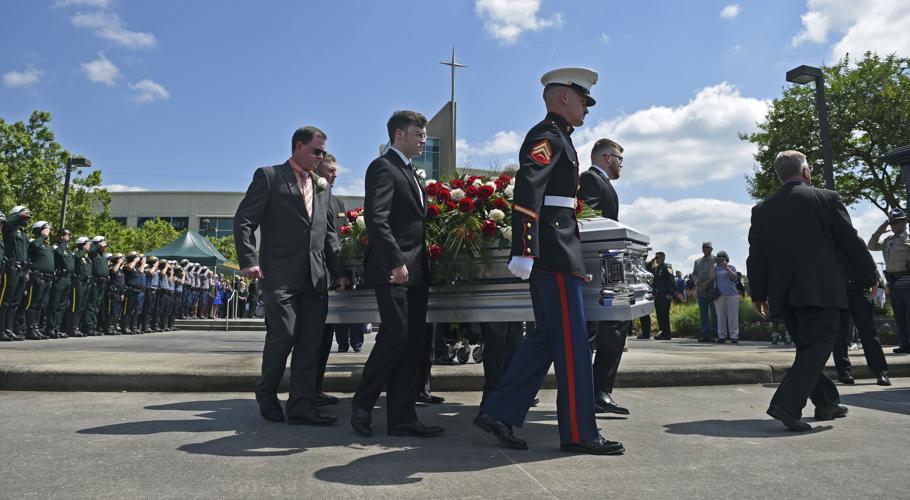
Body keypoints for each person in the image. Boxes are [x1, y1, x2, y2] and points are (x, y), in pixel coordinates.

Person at [474, 68, 624, 455]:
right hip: (554, 254)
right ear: (563, 98)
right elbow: (528, 187)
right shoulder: (548, 136)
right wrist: (524, 247)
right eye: (583, 101)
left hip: (559, 249)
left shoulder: (561, 138)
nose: (587, 109)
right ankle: (579, 433)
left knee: (544, 339)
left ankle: (498, 412)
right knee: (572, 346)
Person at [747, 150, 875, 431]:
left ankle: (827, 403)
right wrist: (870, 275)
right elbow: (850, 242)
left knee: (808, 348)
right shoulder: (826, 199)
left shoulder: (762, 210)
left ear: (779, 175)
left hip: (784, 294)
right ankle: (786, 404)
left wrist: (757, 294)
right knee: (818, 347)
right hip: (821, 289)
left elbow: (756, 256)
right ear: (805, 172)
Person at [234, 125, 347, 426]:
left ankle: (301, 405)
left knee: (311, 341)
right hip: (280, 275)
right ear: (298, 146)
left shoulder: (322, 186)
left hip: (316, 276)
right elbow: (245, 220)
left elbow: (329, 235)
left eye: (323, 152)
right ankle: (267, 393)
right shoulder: (270, 176)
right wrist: (247, 259)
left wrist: (340, 273)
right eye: (316, 151)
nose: (320, 157)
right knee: (284, 333)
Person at [350, 110, 443, 439]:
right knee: (396, 335)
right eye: (419, 134)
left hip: (416, 270)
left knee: (413, 341)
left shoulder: (410, 172)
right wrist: (395, 261)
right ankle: (362, 403)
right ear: (399, 134)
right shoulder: (383, 167)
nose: (423, 139)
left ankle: (402, 417)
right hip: (394, 269)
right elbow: (377, 217)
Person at [577, 137, 630, 415]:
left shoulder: (601, 183)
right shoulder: (590, 180)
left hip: (606, 265)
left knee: (611, 326)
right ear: (607, 158)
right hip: (599, 266)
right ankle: (596, 391)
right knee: (610, 324)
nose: (622, 165)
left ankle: (596, 391)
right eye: (620, 159)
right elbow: (587, 219)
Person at [831, 256, 891, 386]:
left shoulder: (856, 245)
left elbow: (872, 269)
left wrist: (872, 295)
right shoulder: (832, 246)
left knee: (869, 334)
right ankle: (844, 373)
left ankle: (881, 372)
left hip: (860, 292)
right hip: (839, 293)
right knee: (839, 335)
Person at [867, 208, 910, 354]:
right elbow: (871, 246)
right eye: (892, 222)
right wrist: (881, 229)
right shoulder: (888, 241)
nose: (894, 225)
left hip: (907, 280)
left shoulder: (908, 240)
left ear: (904, 222)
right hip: (893, 282)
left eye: (897, 222)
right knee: (899, 315)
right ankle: (904, 344)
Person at [1, 206, 32, 341]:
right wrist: (18, 213)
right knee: (5, 301)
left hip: (22, 270)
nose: (26, 219)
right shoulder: (9, 230)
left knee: (15, 302)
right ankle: (1, 330)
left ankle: (9, 329)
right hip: (12, 268)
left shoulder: (24, 233)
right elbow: (8, 222)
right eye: (24, 217)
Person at [24, 220, 55, 340]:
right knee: (33, 304)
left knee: (40, 305)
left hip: (46, 279)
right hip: (37, 277)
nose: (48, 232)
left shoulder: (46, 245)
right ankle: (30, 329)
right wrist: (43, 235)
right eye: (46, 229)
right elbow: (35, 246)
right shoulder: (34, 242)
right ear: (39, 230)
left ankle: (36, 328)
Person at [45, 228, 74, 338]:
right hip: (59, 278)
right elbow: (59, 253)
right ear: (61, 236)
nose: (69, 237)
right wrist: (62, 244)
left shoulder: (67, 248)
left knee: (62, 306)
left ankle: (57, 328)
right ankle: (50, 328)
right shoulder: (57, 247)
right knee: (54, 304)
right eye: (68, 234)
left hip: (67, 279)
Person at [709, 250, 740, 343]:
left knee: (733, 316)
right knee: (720, 316)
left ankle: (734, 336)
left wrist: (726, 268)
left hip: (732, 294)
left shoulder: (731, 267)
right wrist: (713, 267)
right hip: (719, 295)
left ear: (726, 259)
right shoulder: (715, 268)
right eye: (718, 258)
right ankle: (722, 336)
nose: (720, 260)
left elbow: (734, 277)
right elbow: (711, 278)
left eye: (722, 258)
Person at [692, 241, 718, 343]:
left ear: (711, 249)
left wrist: (707, 283)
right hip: (701, 289)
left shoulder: (716, 260)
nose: (705, 249)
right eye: (703, 247)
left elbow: (717, 274)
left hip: (712, 289)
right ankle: (704, 334)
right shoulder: (697, 261)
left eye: (707, 247)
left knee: (714, 313)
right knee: (703, 314)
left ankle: (715, 334)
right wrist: (699, 283)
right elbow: (694, 274)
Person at [66, 236, 92, 337]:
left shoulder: (86, 256)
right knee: (75, 306)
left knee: (81, 306)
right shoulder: (76, 253)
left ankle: (76, 327)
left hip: (86, 283)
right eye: (87, 244)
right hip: (78, 282)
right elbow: (76, 258)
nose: (89, 246)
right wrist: (84, 249)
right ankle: (71, 328)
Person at [649, 252, 675, 340]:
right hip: (658, 295)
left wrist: (670, 293)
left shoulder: (667, 267)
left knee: (664, 314)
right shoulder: (656, 268)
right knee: (659, 314)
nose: (656, 259)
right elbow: (648, 269)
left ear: (663, 258)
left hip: (665, 295)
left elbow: (671, 281)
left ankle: (667, 333)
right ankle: (663, 332)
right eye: (655, 258)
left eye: (658, 257)